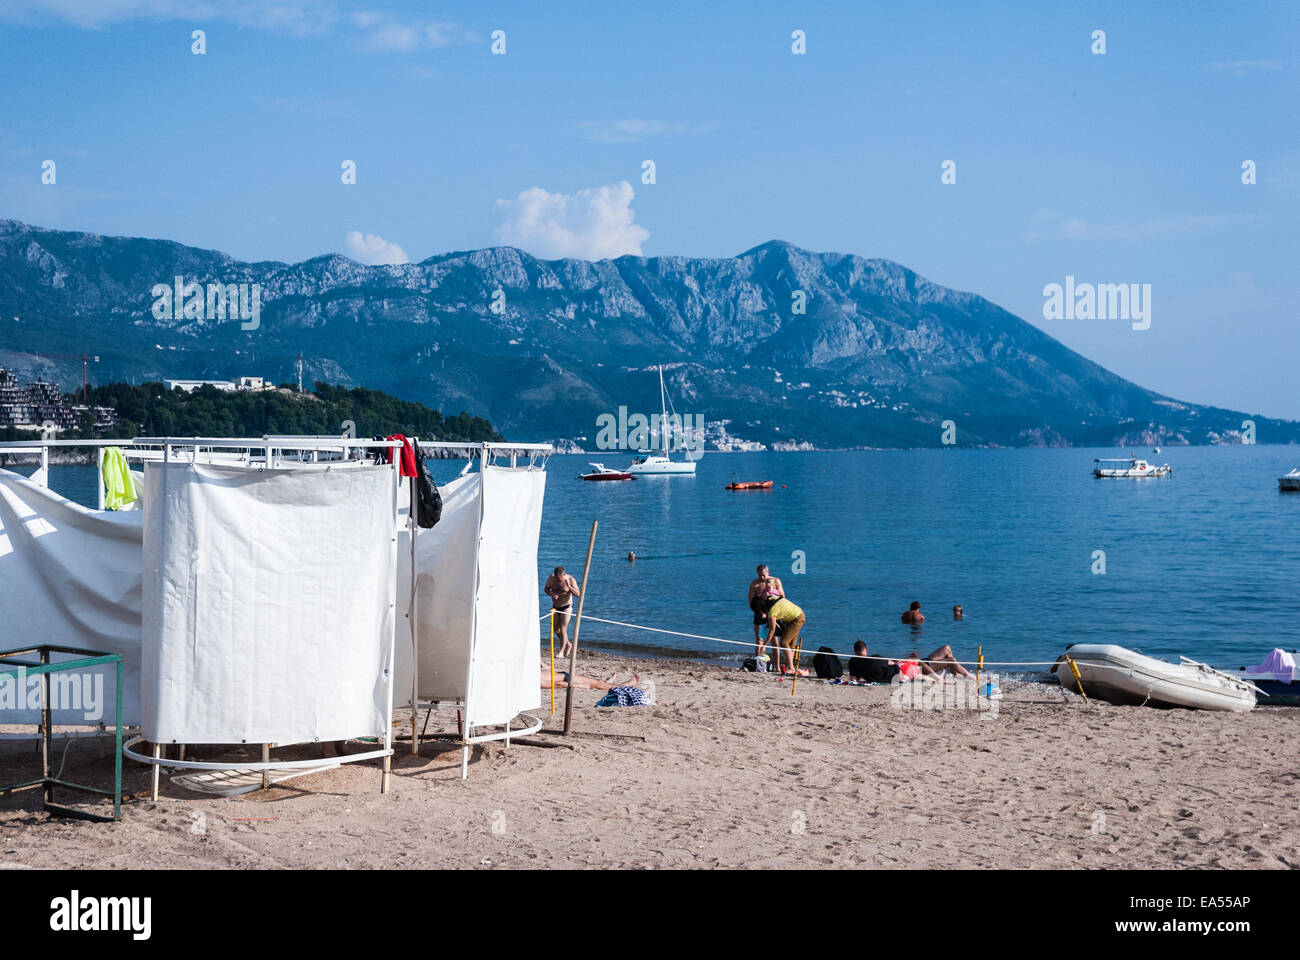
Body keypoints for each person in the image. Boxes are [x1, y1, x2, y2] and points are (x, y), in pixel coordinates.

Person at [748, 564, 785, 654]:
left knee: (774, 641)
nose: (762, 577)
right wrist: (760, 612)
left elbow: (783, 597)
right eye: (759, 575)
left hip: (774, 612)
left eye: (763, 575)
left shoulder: (775, 581)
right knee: (759, 640)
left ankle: (777, 667)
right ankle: (758, 663)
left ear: (768, 572)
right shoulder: (754, 584)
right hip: (760, 612)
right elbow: (751, 602)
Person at [545, 566, 581, 657]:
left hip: (567, 607)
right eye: (556, 578)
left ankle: (561, 651)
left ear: (564, 575)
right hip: (555, 607)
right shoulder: (551, 578)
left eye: (559, 578)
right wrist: (552, 594)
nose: (558, 580)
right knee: (556, 630)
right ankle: (568, 644)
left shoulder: (570, 579)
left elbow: (578, 594)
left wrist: (569, 587)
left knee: (563, 628)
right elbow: (546, 589)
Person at [764, 595, 806, 674]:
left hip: (796, 619)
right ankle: (790, 667)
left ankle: (791, 667)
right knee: (791, 645)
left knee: (784, 643)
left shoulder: (772, 611)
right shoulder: (773, 599)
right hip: (797, 614)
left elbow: (772, 631)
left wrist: (764, 645)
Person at [540, 666, 640, 691]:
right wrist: (580, 686)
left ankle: (606, 683)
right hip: (567, 679)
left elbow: (547, 668)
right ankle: (624, 685)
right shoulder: (536, 682)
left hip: (564, 675)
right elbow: (557, 684)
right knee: (596, 683)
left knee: (597, 682)